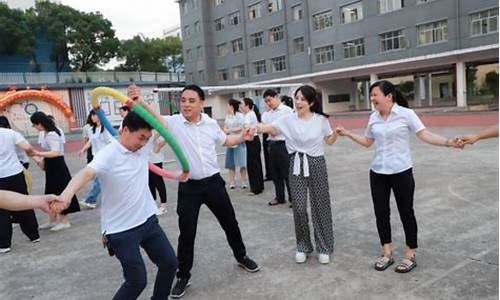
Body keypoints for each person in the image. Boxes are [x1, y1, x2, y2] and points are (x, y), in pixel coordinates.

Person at [144, 84, 259, 299]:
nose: (186, 104)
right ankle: (183, 276)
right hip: (189, 187)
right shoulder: (175, 123)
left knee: (230, 223)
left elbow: (227, 141)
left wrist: (243, 137)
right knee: (187, 233)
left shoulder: (211, 123)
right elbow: (155, 118)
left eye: (191, 101)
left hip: (214, 184)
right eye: (183, 100)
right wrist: (138, 101)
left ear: (201, 103)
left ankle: (241, 256)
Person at [335, 80, 462, 273]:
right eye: (371, 95)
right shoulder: (373, 117)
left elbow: (424, 134)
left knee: (406, 212)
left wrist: (448, 142)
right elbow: (368, 142)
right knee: (381, 212)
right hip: (378, 172)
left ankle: (410, 254)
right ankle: (387, 253)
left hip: (401, 172)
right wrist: (348, 133)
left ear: (389, 96)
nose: (372, 98)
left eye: (375, 94)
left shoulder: (406, 114)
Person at [53, 110, 178, 300]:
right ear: (125, 130)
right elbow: (86, 173)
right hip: (121, 230)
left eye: (147, 138)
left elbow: (165, 126)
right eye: (141, 138)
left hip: (148, 221)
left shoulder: (142, 147)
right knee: (137, 280)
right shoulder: (109, 154)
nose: (144, 143)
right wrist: (66, 195)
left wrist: (139, 102)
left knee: (170, 264)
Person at [256, 85, 337, 264]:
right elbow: (267, 128)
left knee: (320, 206)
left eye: (302, 99)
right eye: (296, 98)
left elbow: (329, 140)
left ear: (311, 102)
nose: (298, 102)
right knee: (299, 207)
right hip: (296, 162)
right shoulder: (287, 119)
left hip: (316, 163)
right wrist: (252, 128)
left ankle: (324, 247)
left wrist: (336, 134)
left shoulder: (320, 120)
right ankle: (303, 246)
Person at [30, 111, 80, 231]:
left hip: (57, 166)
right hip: (52, 165)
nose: (34, 127)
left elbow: (55, 152)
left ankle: (64, 220)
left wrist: (37, 153)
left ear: (40, 124)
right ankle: (52, 219)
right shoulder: (47, 133)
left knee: (59, 191)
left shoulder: (52, 134)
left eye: (34, 125)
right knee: (51, 191)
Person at [0, 121, 41, 253]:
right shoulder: (10, 133)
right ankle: (34, 235)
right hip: (15, 173)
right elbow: (26, 147)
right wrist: (32, 155)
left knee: (2, 210)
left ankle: (4, 244)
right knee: (24, 203)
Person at [261, 89, 293, 206]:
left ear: (276, 97)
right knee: (275, 173)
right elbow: (267, 129)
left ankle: (293, 198)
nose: (268, 103)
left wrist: (271, 129)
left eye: (269, 100)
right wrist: (271, 129)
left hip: (284, 145)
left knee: (287, 173)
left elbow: (283, 129)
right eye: (266, 102)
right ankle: (280, 197)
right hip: (272, 145)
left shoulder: (287, 111)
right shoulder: (267, 114)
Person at [78, 110, 113, 209]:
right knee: (103, 179)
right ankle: (92, 199)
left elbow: (111, 143)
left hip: (105, 158)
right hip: (96, 157)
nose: (93, 117)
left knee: (99, 180)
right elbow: (90, 141)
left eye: (95, 115)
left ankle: (91, 200)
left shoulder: (105, 129)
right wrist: (83, 149)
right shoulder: (91, 129)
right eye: (92, 115)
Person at [240, 98, 264, 195]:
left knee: (253, 165)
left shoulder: (249, 115)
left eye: (242, 104)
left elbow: (248, 129)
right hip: (254, 140)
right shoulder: (251, 114)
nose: (240, 106)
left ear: (247, 105)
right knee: (256, 164)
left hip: (252, 140)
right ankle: (259, 186)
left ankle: (256, 188)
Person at [223, 99, 248, 189]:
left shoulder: (240, 116)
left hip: (239, 141)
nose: (227, 107)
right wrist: (228, 130)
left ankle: (243, 181)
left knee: (242, 163)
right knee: (231, 163)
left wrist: (230, 130)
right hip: (230, 141)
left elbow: (241, 128)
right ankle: (232, 182)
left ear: (231, 106)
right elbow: (225, 128)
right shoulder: (227, 116)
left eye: (228, 105)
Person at [149, 133, 168, 215]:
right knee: (150, 182)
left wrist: (158, 147)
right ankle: (153, 203)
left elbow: (166, 138)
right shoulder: (145, 128)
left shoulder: (157, 130)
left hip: (156, 160)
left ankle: (164, 205)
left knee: (158, 182)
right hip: (147, 160)